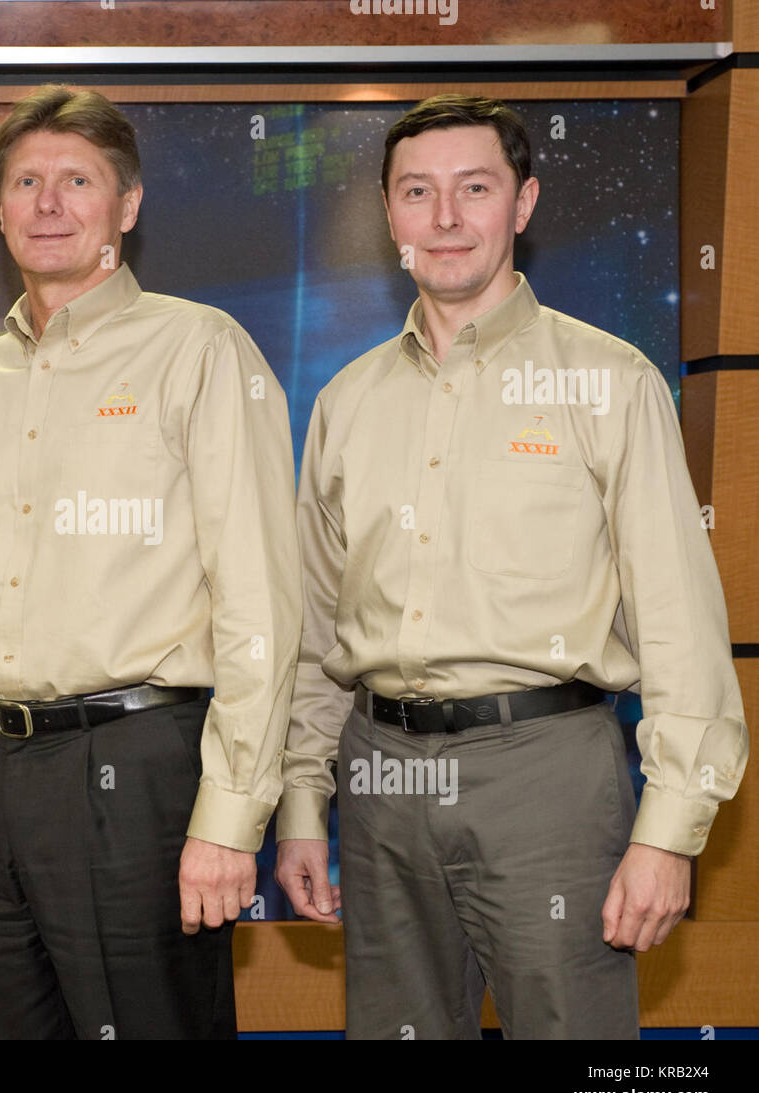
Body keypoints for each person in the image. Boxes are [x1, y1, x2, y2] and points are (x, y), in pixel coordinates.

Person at [275, 94, 748, 1039]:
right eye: (418, 191)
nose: (446, 217)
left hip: (548, 779)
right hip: (380, 777)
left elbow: (680, 624)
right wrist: (299, 800)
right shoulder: (346, 402)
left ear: (522, 204)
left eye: (475, 188)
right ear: (389, 212)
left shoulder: (610, 383)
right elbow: (315, 632)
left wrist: (667, 834)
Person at [0, 85, 300, 1039]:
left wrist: (228, 819)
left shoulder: (199, 348)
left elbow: (261, 600)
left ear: (125, 207)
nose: (48, 203)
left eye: (76, 181)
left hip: (138, 766)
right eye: (26, 182)